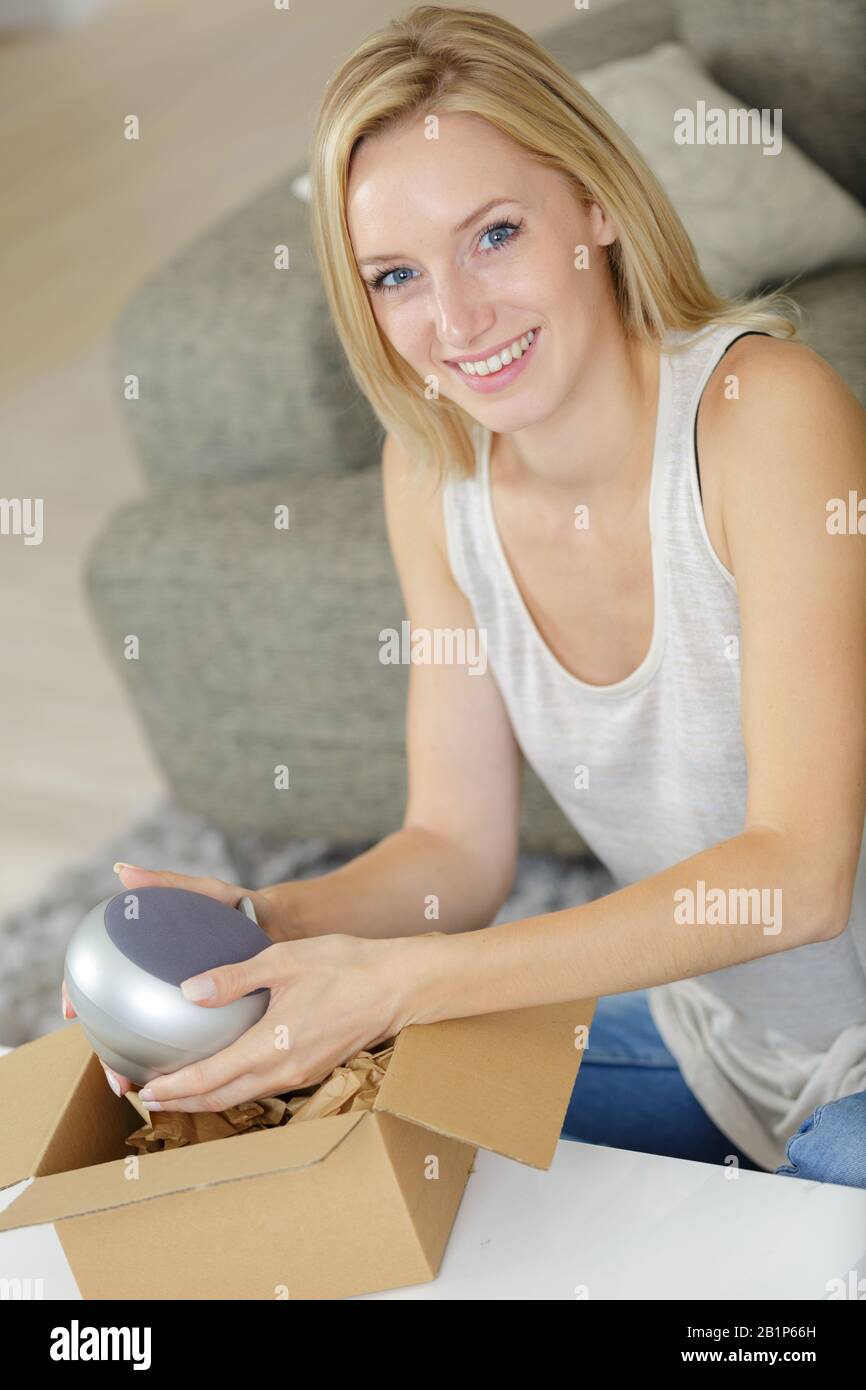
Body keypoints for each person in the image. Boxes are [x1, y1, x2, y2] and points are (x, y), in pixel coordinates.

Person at [64, 6, 866, 1187]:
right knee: (353, 1125)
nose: (455, 321)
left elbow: (796, 876)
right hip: (730, 1048)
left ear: (594, 202)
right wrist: (265, 926)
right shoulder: (433, 473)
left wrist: (404, 979)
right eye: (397, 274)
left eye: (493, 234)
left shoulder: (763, 416)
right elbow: (456, 849)